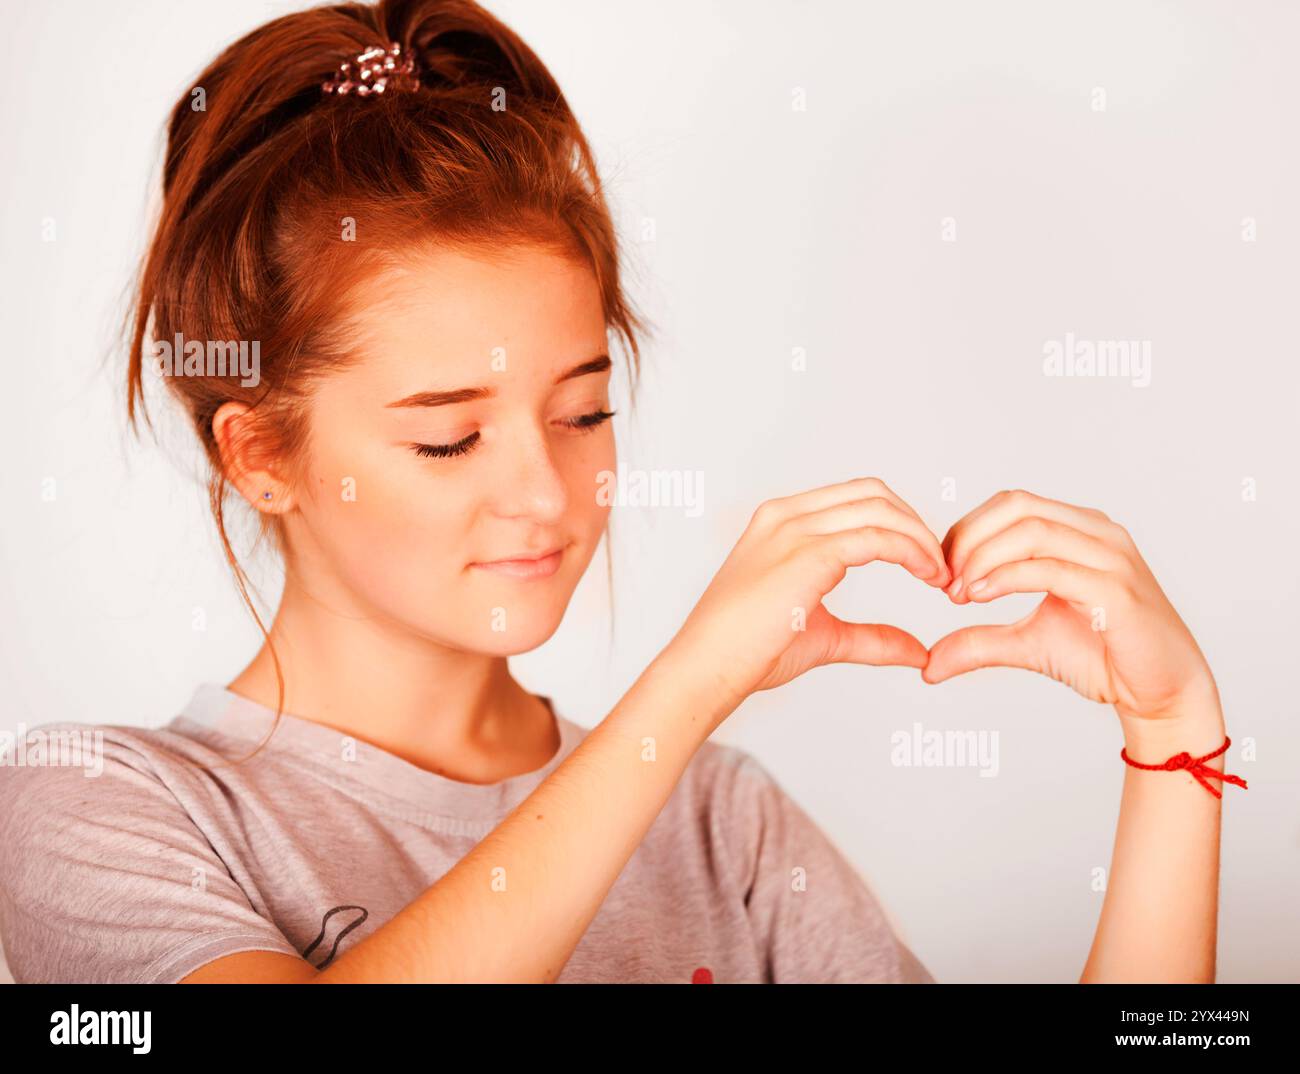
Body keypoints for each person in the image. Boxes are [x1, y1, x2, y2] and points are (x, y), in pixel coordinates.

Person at [0, 0, 1238, 984]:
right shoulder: (99, 809)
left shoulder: (722, 829)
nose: (548, 492)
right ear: (259, 454)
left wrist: (1173, 740)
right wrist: (685, 688)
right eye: (448, 440)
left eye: (583, 414)